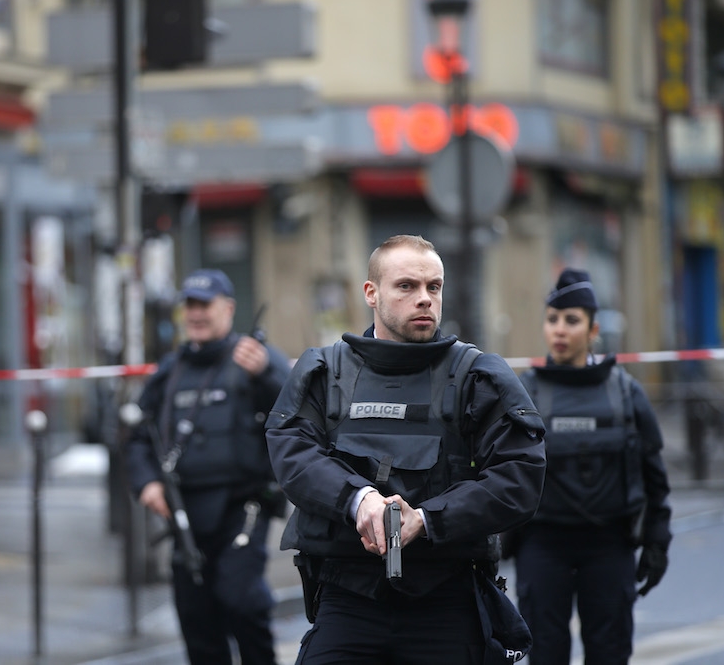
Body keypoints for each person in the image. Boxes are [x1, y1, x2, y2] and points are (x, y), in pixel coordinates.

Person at [264, 235, 547, 664]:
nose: (424, 299)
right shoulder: (325, 372)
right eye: (406, 286)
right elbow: (292, 451)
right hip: (348, 598)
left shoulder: (476, 377)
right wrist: (358, 501)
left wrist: (428, 520)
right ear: (371, 293)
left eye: (434, 287)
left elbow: (519, 477)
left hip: (446, 599)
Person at [126, 268, 292, 665]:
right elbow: (136, 436)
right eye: (190, 306)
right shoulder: (170, 371)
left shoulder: (254, 359)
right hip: (184, 513)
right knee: (196, 617)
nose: (196, 314)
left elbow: (297, 408)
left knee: (241, 599)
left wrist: (268, 371)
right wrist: (147, 482)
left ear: (229, 309)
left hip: (243, 505)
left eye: (205, 305)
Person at [508, 268, 672, 665]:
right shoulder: (524, 393)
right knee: (545, 653)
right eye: (552, 320)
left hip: (609, 545)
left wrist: (657, 541)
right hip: (543, 545)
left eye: (572, 320)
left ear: (593, 328)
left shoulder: (624, 391)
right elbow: (503, 474)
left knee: (610, 652)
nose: (559, 330)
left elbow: (654, 475)